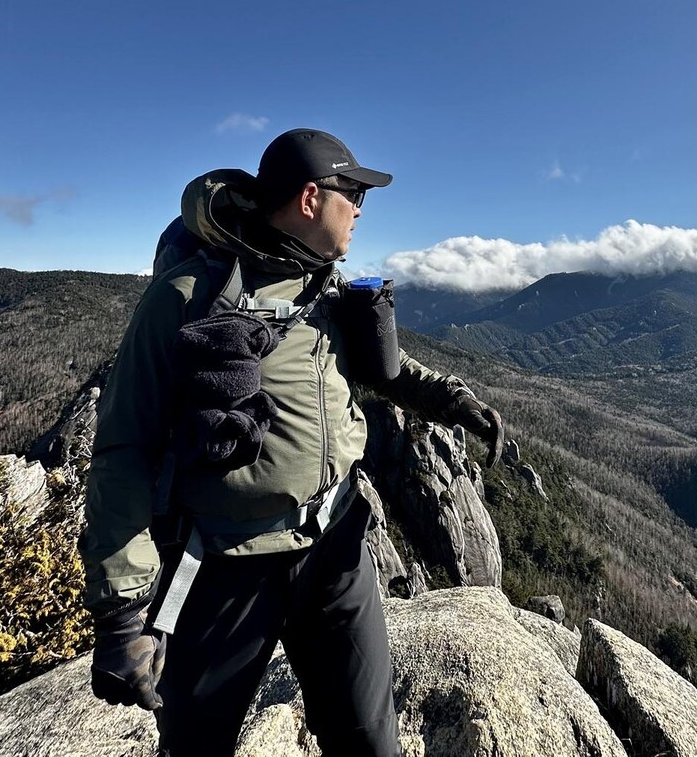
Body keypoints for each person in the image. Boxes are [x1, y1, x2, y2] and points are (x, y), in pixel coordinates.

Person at [81, 127, 504, 756]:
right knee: (197, 748)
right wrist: (121, 614)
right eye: (353, 194)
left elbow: (383, 369)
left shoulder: (325, 287)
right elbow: (124, 450)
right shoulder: (183, 299)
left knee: (370, 743)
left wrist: (451, 400)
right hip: (224, 566)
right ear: (310, 198)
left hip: (337, 550)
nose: (360, 209)